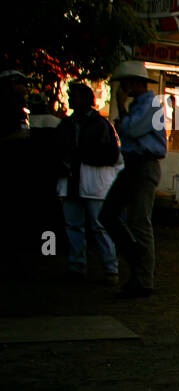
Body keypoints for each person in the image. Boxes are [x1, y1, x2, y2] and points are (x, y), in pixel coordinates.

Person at [100, 61, 166, 297]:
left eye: (126, 83)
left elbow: (131, 130)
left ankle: (143, 279)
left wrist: (119, 105)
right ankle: (137, 261)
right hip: (134, 166)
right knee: (109, 215)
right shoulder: (142, 105)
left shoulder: (150, 104)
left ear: (134, 83)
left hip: (144, 165)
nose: (123, 88)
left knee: (139, 222)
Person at [54, 83, 122, 284]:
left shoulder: (100, 124)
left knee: (97, 226)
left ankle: (110, 268)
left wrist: (80, 156)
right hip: (74, 181)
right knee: (75, 225)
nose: (70, 100)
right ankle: (79, 267)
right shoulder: (68, 124)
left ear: (84, 99)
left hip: (92, 182)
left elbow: (111, 155)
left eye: (73, 96)